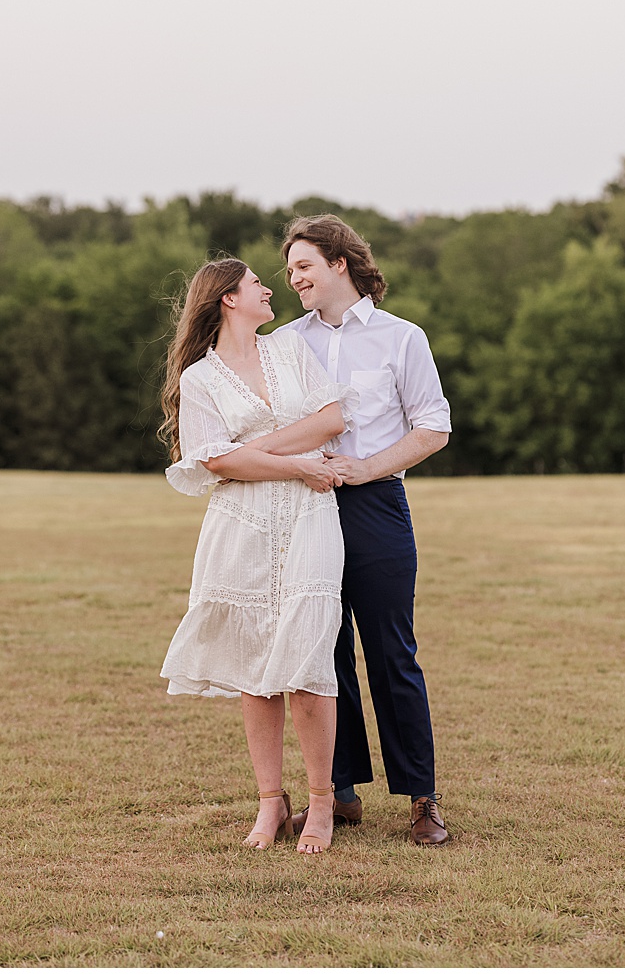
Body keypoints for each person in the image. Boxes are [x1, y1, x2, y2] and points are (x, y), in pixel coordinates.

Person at [159, 258, 358, 853]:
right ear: (227, 298)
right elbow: (216, 461)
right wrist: (294, 465)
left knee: (310, 657)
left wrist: (256, 454)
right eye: (255, 284)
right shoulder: (200, 378)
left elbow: (331, 419)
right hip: (242, 525)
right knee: (255, 664)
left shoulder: (291, 349)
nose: (269, 288)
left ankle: (321, 802)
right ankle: (271, 802)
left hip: (310, 516)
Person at [277, 214, 455, 848]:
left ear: (339, 264)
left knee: (391, 652)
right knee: (324, 650)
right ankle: (339, 792)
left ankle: (422, 797)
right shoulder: (285, 344)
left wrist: (366, 468)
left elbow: (433, 427)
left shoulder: (401, 337)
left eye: (303, 266)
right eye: (289, 270)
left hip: (377, 505)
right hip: (305, 507)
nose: (294, 279)